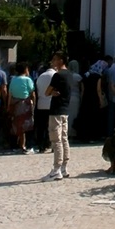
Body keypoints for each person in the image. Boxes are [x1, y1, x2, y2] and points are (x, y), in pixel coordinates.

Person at [44, 52, 74, 180]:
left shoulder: (58, 75)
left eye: (55, 59)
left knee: (56, 140)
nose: (53, 61)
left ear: (61, 60)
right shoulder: (70, 75)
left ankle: (56, 169)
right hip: (65, 109)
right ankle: (64, 167)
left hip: (56, 110)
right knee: (64, 138)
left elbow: (47, 92)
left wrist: (52, 93)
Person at [75, 58, 108, 142]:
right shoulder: (98, 77)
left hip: (86, 98)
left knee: (85, 118)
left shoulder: (85, 76)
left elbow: (82, 90)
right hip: (94, 99)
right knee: (94, 118)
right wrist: (101, 101)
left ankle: (84, 136)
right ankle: (93, 136)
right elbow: (98, 90)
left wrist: (81, 100)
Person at [7, 62, 35, 153]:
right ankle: (27, 145)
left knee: (16, 124)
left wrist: (8, 106)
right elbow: (32, 93)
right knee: (27, 125)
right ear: (26, 69)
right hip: (25, 104)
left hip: (15, 103)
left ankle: (16, 145)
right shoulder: (28, 80)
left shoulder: (13, 80)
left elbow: (10, 94)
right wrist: (34, 104)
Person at [33, 61, 55, 154]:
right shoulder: (55, 75)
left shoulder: (40, 76)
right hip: (52, 103)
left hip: (41, 104)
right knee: (52, 126)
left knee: (42, 126)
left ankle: (41, 145)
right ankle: (51, 144)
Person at [67, 59, 84, 139]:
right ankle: (73, 133)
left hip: (67, 96)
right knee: (74, 115)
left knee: (68, 115)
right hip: (76, 96)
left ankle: (67, 131)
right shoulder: (78, 77)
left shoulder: (67, 75)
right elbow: (82, 88)